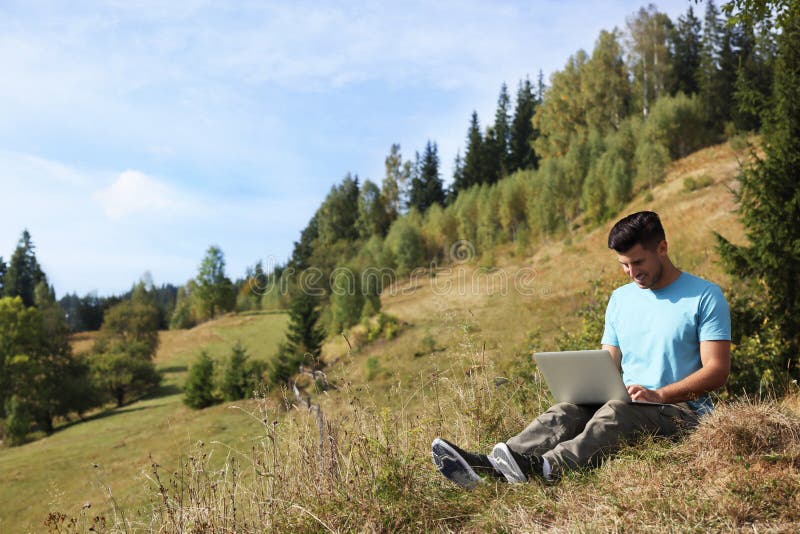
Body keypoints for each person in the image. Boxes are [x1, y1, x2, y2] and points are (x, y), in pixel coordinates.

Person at [431, 211, 731, 487]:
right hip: (630, 401)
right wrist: (588, 389)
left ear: (662, 248)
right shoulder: (620, 299)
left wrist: (660, 394)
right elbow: (607, 363)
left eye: (638, 262)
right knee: (567, 410)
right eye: (624, 265)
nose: (631, 272)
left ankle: (546, 468)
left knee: (617, 410)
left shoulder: (704, 296)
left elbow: (717, 372)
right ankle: (492, 467)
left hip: (682, 411)